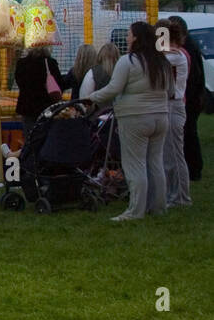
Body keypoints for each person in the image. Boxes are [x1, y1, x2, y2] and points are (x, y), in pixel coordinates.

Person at [85, 21, 173, 221]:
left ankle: (135, 211)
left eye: (129, 35)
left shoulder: (128, 61)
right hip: (161, 117)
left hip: (135, 118)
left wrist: (92, 98)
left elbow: (114, 89)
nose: (127, 38)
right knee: (155, 162)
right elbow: (171, 91)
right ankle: (158, 207)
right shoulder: (162, 62)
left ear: (137, 38)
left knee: (135, 165)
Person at [155, 20, 191, 207]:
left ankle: (180, 197)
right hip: (169, 105)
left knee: (174, 155)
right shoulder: (172, 54)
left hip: (174, 105)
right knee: (167, 154)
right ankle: (173, 194)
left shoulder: (176, 56)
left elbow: (156, 61)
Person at [168, 16, 205, 181]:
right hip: (191, 98)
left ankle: (194, 169)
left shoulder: (184, 49)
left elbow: (193, 77)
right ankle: (193, 169)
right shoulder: (189, 46)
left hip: (188, 99)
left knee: (188, 135)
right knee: (188, 134)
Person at [14, 45, 65, 136]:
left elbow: (19, 83)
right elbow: (59, 85)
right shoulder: (50, 63)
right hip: (47, 108)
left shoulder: (21, 63)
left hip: (27, 108)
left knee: (30, 138)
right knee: (46, 139)